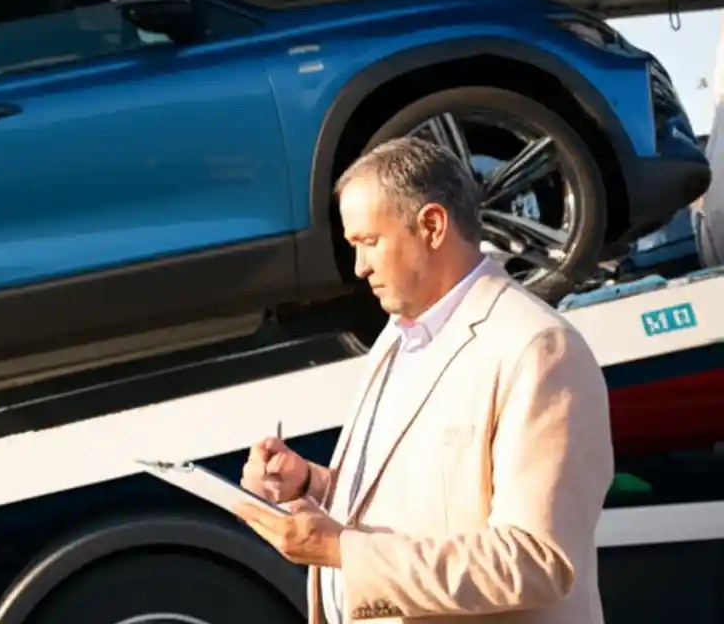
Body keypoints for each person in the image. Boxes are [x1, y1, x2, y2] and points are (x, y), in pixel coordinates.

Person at [234, 136, 614, 623]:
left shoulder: (537, 349)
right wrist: (312, 483)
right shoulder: (400, 334)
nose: (359, 267)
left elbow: (535, 561)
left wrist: (342, 551)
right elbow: (421, 501)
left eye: (369, 242)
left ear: (432, 225)